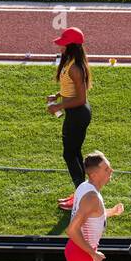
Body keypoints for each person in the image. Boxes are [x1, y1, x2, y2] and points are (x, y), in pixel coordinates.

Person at [47, 27, 93, 212]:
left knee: (69, 154)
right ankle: (81, 193)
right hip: (76, 113)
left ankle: (81, 197)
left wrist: (59, 106)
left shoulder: (75, 67)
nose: (60, 47)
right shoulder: (71, 62)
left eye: (63, 44)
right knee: (74, 154)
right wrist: (58, 95)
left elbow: (81, 99)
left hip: (78, 114)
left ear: (71, 46)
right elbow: (70, 89)